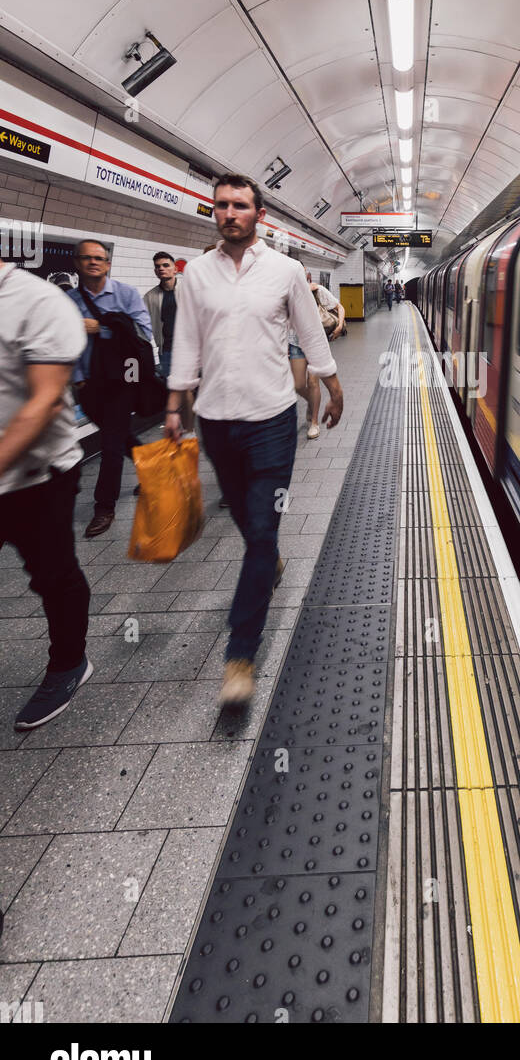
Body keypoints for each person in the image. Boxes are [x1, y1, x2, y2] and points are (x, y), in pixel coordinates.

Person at [164, 174, 344, 707]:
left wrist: (333, 386)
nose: (229, 213)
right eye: (220, 205)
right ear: (213, 212)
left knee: (261, 530)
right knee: (248, 521)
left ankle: (240, 656)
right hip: (216, 421)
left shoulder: (286, 271)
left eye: (240, 205)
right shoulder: (195, 274)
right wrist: (174, 406)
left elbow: (310, 333)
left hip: (271, 421)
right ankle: (268, 557)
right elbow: (185, 343)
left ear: (258, 215)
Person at [0, 261, 93, 730]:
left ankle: (68, 663)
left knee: (52, 575)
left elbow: (45, 400)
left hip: (39, 477)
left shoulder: (37, 302)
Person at [68, 240, 155, 537]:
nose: (93, 262)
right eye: (86, 258)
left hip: (122, 379)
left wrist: (101, 328)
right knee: (115, 435)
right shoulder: (68, 299)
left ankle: (104, 507)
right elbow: (65, 342)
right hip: (88, 382)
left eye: (99, 258)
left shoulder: (126, 294)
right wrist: (77, 378)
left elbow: (144, 332)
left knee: (111, 445)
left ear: (107, 264)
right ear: (76, 263)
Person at [290, 271, 346, 441]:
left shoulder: (317, 290)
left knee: (313, 381)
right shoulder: (284, 291)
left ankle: (314, 423)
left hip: (314, 341)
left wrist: (339, 325)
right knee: (298, 384)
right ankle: (312, 401)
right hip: (294, 343)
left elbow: (339, 307)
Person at [144, 252, 193, 430]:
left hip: (189, 347)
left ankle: (188, 428)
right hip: (166, 348)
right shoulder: (150, 297)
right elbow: (143, 323)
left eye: (165, 265)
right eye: (158, 266)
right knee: (172, 387)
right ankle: (176, 422)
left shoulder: (189, 289)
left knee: (184, 388)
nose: (161, 269)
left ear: (175, 268)